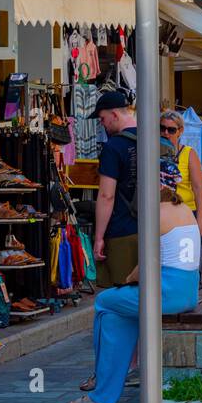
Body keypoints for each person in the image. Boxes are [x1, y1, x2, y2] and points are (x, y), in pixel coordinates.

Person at [71, 150, 200, 403]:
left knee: (105, 302)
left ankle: (102, 388)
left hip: (167, 293)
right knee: (120, 311)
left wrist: (128, 279)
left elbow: (146, 265)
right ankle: (105, 388)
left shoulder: (155, 214)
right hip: (187, 290)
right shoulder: (183, 209)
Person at [91, 88, 140, 289]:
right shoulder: (157, 139)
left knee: (124, 292)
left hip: (122, 230)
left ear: (114, 114)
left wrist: (99, 237)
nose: (102, 124)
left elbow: (106, 195)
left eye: (102, 119)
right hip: (158, 228)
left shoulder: (113, 147)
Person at [160, 109, 202, 236]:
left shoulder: (189, 154)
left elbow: (199, 189)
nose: (166, 133)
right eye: (162, 128)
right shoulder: (152, 152)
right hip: (160, 214)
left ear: (180, 131)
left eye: (171, 130)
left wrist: (200, 220)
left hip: (184, 214)